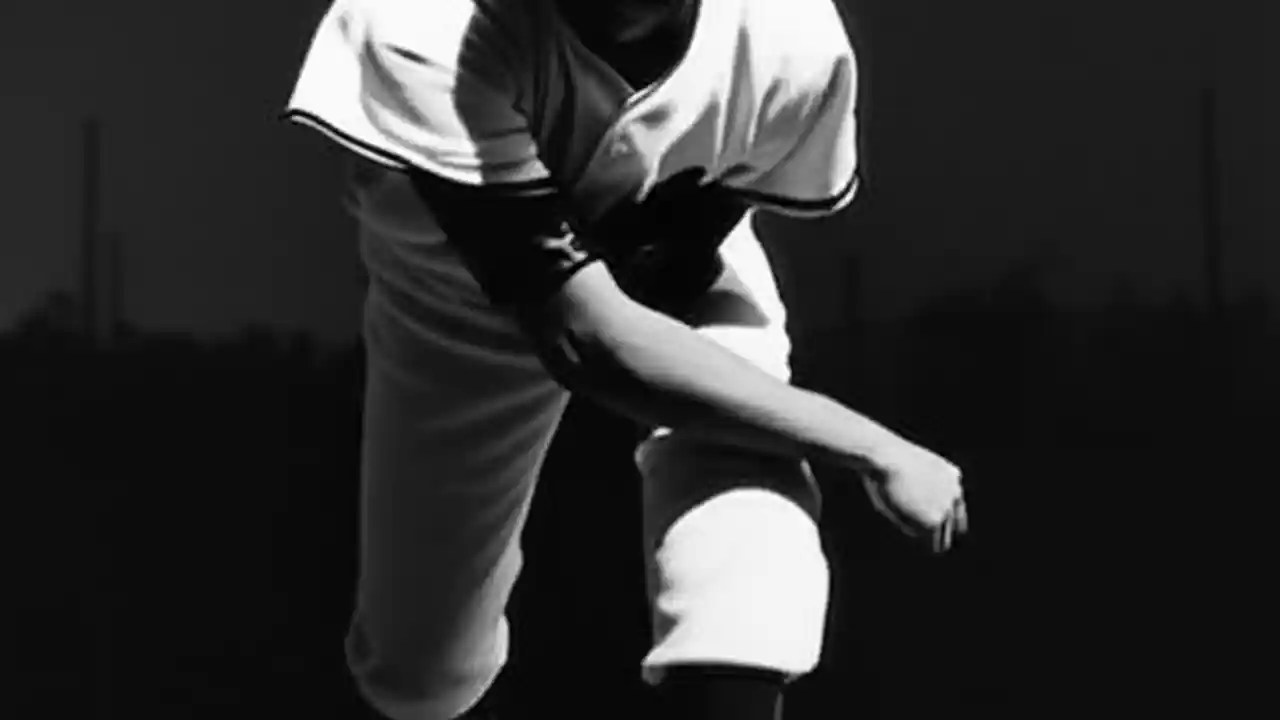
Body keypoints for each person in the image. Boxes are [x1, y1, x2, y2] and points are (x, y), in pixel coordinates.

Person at [282, 0, 968, 718]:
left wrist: (747, 406)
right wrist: (875, 446)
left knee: (748, 499)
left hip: (672, 234)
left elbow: (696, 245)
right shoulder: (420, 25)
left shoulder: (791, 35)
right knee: (420, 675)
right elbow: (588, 341)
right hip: (460, 291)